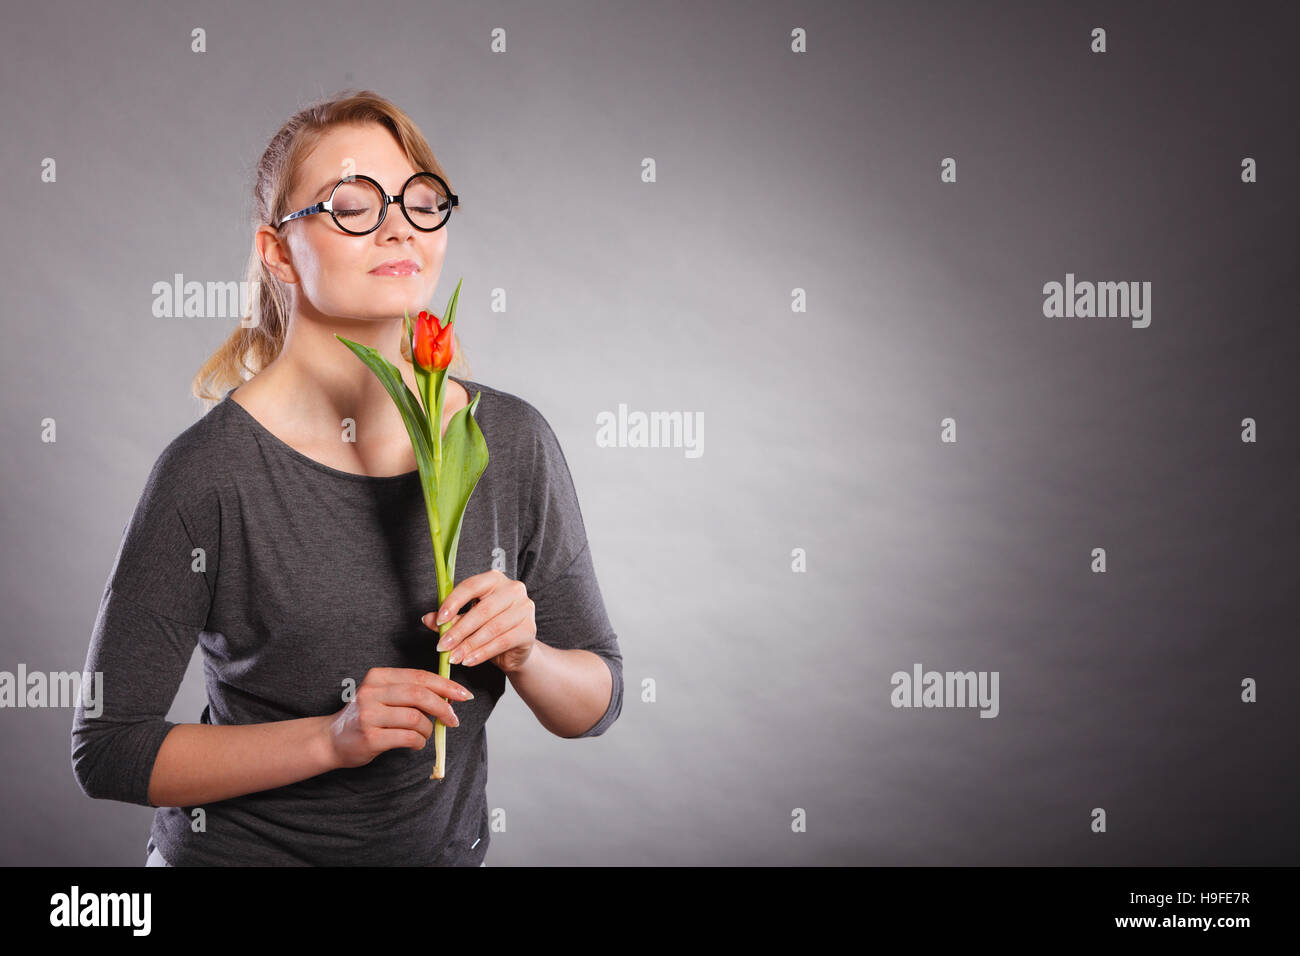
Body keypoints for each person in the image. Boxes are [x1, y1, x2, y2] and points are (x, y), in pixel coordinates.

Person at [70, 90, 624, 866]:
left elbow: (595, 703)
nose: (399, 225)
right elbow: (109, 750)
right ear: (276, 250)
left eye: (420, 201)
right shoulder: (208, 473)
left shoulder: (511, 440)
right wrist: (332, 740)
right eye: (352, 205)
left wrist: (527, 653)